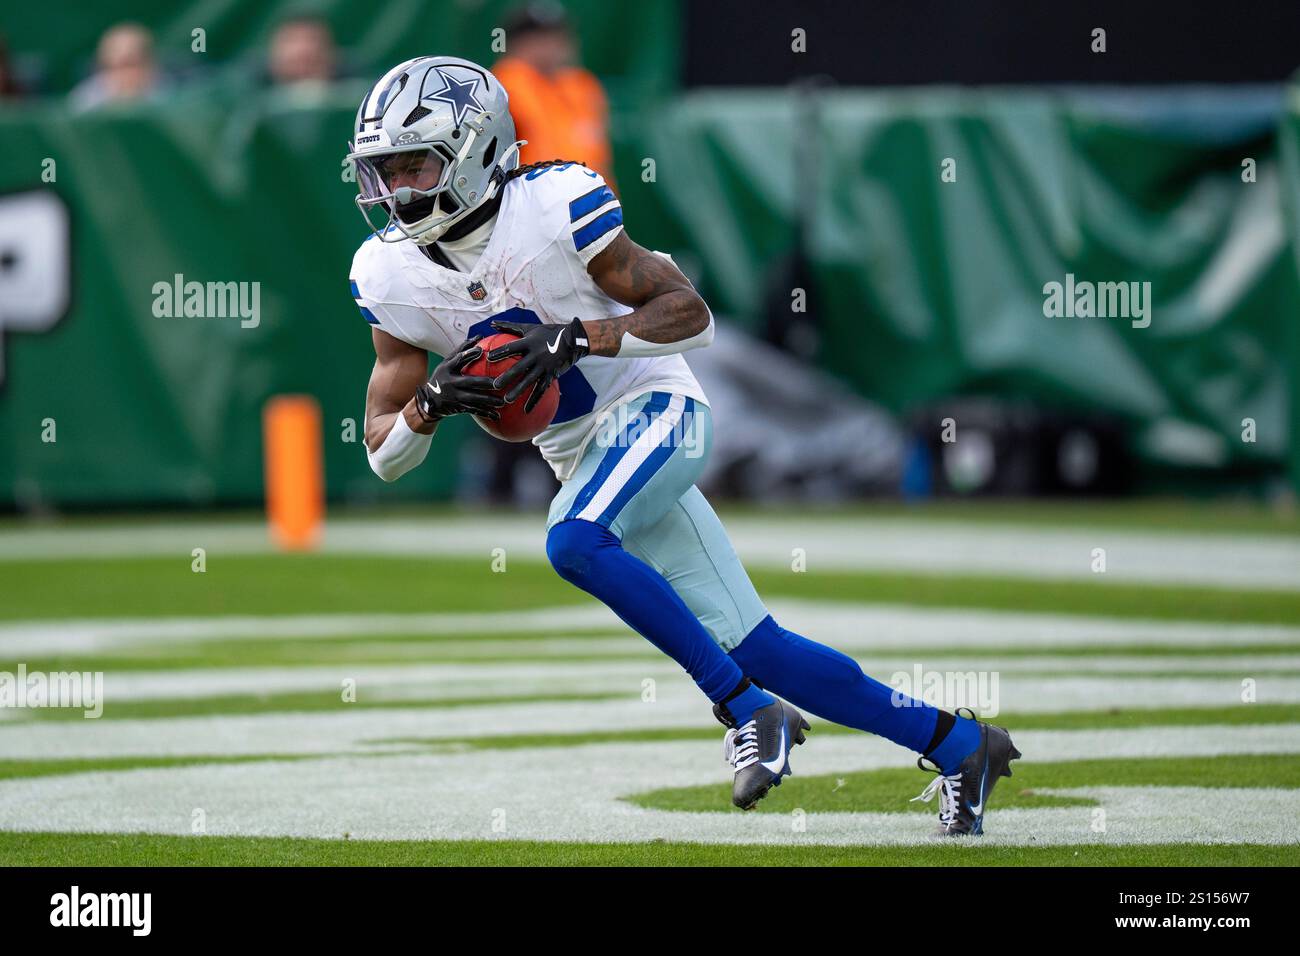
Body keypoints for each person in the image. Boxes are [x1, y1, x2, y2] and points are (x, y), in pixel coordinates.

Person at [347, 56, 1020, 831]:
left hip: (659, 410)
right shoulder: (388, 273)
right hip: (582, 451)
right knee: (761, 643)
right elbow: (381, 452)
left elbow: (689, 314)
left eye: (413, 166)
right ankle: (960, 742)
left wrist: (580, 337)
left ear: (475, 152)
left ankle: (743, 710)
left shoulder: (556, 205)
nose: (394, 191)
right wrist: (428, 405)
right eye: (382, 172)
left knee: (574, 541)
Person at [491, 3, 614, 185]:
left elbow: (601, 159)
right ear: (515, 43)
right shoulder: (504, 85)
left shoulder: (583, 86)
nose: (548, 47)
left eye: (554, 37)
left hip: (591, 203)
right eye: (535, 38)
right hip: (528, 202)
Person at [69, 22, 160, 111]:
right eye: (111, 66)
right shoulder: (86, 100)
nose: (122, 74)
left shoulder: (164, 96)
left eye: (129, 65)